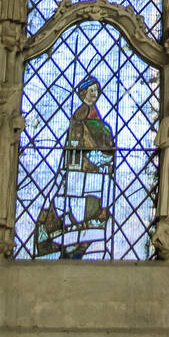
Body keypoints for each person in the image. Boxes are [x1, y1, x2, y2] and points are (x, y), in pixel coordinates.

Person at [33, 77, 115, 260]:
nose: (94, 94)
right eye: (90, 90)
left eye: (96, 90)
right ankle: (70, 236)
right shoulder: (78, 116)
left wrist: (103, 153)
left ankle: (82, 235)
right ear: (83, 93)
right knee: (71, 199)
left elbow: (103, 141)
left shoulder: (95, 116)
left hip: (94, 170)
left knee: (90, 196)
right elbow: (75, 142)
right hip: (79, 168)